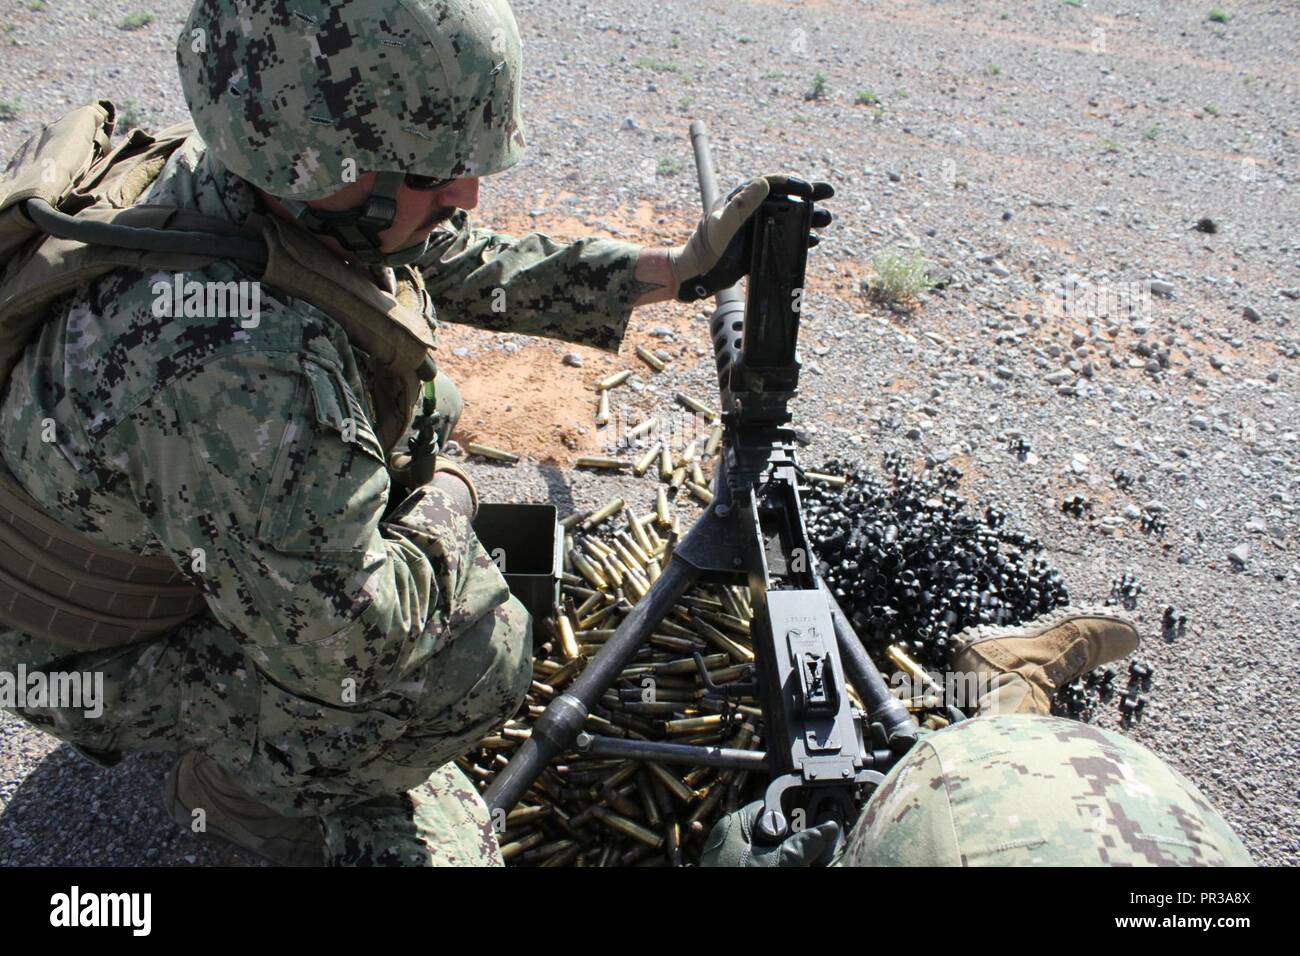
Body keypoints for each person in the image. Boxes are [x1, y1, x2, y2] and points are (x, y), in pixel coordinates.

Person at [0, 0, 813, 866]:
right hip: (92, 658)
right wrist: (448, 518)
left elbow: (446, 257)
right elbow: (352, 643)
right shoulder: (237, 376)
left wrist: (672, 273)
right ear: (320, 166)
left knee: (427, 419)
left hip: (180, 537)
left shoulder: (256, 172)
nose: (464, 194)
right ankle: (245, 798)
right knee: (481, 652)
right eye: (434, 173)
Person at [702, 607, 1255, 867]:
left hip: (951, 821)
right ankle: (1011, 680)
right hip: (1143, 827)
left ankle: (1009, 692)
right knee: (1027, 769)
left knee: (1006, 767)